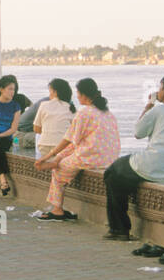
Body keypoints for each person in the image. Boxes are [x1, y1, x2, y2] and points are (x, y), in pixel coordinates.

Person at [100, 72, 164, 239]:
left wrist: (148, 106)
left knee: (112, 173)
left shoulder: (158, 111)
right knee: (121, 174)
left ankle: (119, 229)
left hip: (151, 164)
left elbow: (138, 133)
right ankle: (119, 226)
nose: (158, 90)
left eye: (160, 87)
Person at [33, 78, 120, 221]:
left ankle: (57, 210)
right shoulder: (108, 113)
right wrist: (56, 155)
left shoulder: (84, 112)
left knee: (58, 171)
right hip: (109, 158)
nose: (77, 96)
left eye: (78, 93)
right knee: (68, 154)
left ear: (85, 95)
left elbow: (70, 140)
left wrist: (51, 156)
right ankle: (55, 161)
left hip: (90, 158)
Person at [32, 78, 76, 162]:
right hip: (63, 148)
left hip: (43, 147)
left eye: (50, 92)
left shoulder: (43, 105)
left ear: (55, 92)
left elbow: (36, 129)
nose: (49, 95)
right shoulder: (72, 109)